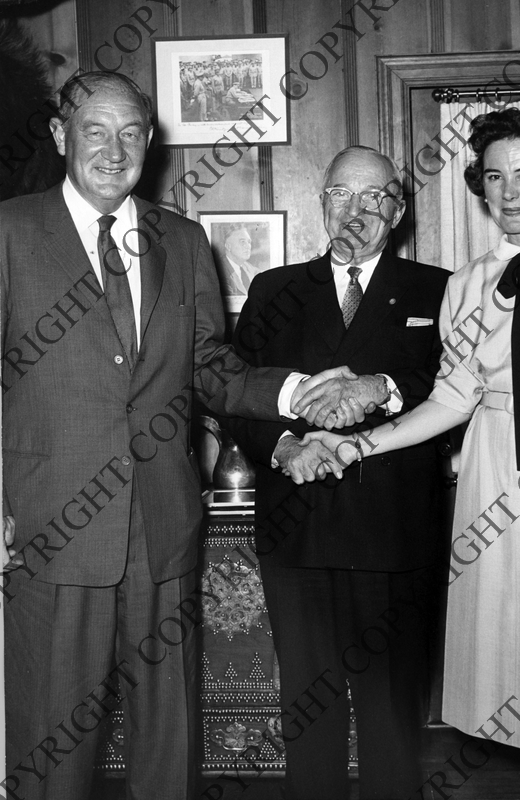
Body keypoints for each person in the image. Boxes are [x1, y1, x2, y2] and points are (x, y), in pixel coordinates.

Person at [0, 71, 364, 800]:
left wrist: (295, 390)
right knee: (53, 742)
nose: (115, 148)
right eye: (96, 130)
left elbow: (211, 366)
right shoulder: (9, 231)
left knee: (169, 741)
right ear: (59, 135)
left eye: (132, 132)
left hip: (163, 527)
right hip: (50, 525)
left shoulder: (183, 239)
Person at [300, 110, 520, 800]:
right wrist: (354, 441)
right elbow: (449, 401)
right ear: (479, 189)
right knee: (518, 664)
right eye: (494, 177)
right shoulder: (468, 282)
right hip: (487, 481)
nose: (509, 192)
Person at [227, 145, 449, 800]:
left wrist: (386, 388)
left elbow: (463, 391)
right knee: (308, 705)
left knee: (391, 716)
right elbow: (232, 394)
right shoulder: (273, 289)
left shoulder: (438, 288)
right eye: (342, 196)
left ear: (399, 209)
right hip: (298, 531)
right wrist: (285, 445)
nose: (357, 210)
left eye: (375, 195)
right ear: (322, 203)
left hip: (395, 532)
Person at [219, 226, 259, 295]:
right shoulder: (219, 270)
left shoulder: (248, 267)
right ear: (228, 246)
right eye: (242, 241)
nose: (248, 246)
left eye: (249, 242)